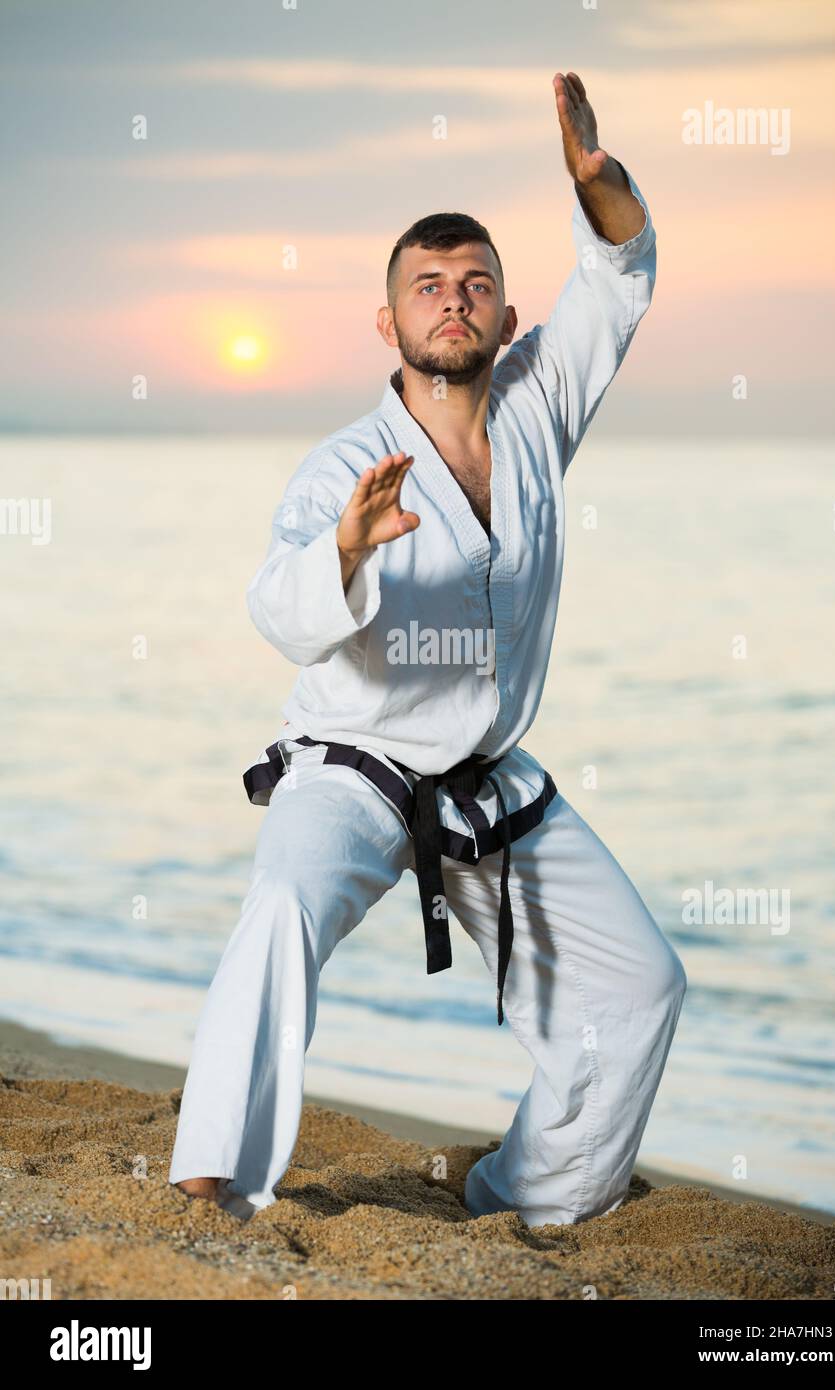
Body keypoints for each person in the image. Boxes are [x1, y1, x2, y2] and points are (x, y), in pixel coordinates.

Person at [168, 71, 687, 1226]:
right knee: (282, 912)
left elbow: (619, 277)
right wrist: (347, 551)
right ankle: (212, 1180)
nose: (453, 302)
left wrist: (594, 181)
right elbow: (278, 610)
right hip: (354, 762)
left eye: (476, 287)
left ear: (504, 318)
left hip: (486, 778)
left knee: (643, 981)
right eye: (427, 286)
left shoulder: (539, 402)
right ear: (388, 321)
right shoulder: (339, 466)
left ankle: (531, 1198)